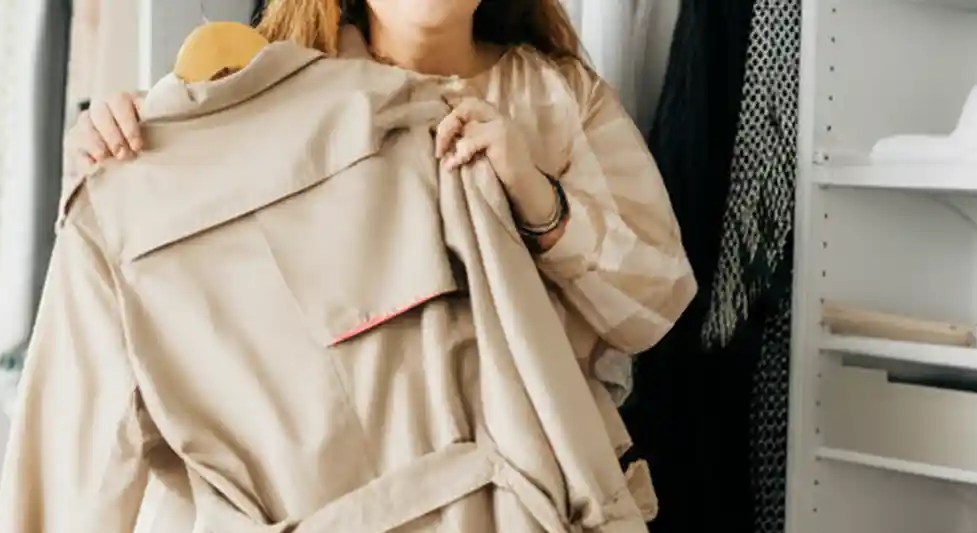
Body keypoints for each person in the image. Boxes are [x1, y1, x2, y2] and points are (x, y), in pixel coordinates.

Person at [69, 0, 694, 445]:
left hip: (537, 510)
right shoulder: (260, 95)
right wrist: (115, 149)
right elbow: (176, 312)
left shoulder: (558, 94)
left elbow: (654, 303)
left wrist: (536, 198)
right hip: (341, 521)